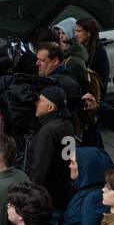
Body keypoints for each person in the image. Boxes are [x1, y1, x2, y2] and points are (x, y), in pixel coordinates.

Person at [25, 85, 76, 213]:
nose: (36, 103)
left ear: (50, 107)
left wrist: (30, 199)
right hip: (63, 193)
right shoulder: (67, 124)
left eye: (40, 100)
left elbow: (39, 170)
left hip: (48, 199)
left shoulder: (48, 132)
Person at [60, 146, 113, 225]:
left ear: (85, 167)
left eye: (73, 163)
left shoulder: (92, 199)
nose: (69, 166)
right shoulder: (87, 188)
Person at [34, 41, 84, 116]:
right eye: (37, 59)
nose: (37, 63)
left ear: (55, 61)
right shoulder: (67, 77)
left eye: (42, 60)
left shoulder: (57, 85)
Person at [75, 17, 110, 92]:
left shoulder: (100, 53)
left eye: (79, 31)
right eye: (75, 31)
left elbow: (101, 80)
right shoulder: (77, 47)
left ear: (89, 33)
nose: (75, 34)